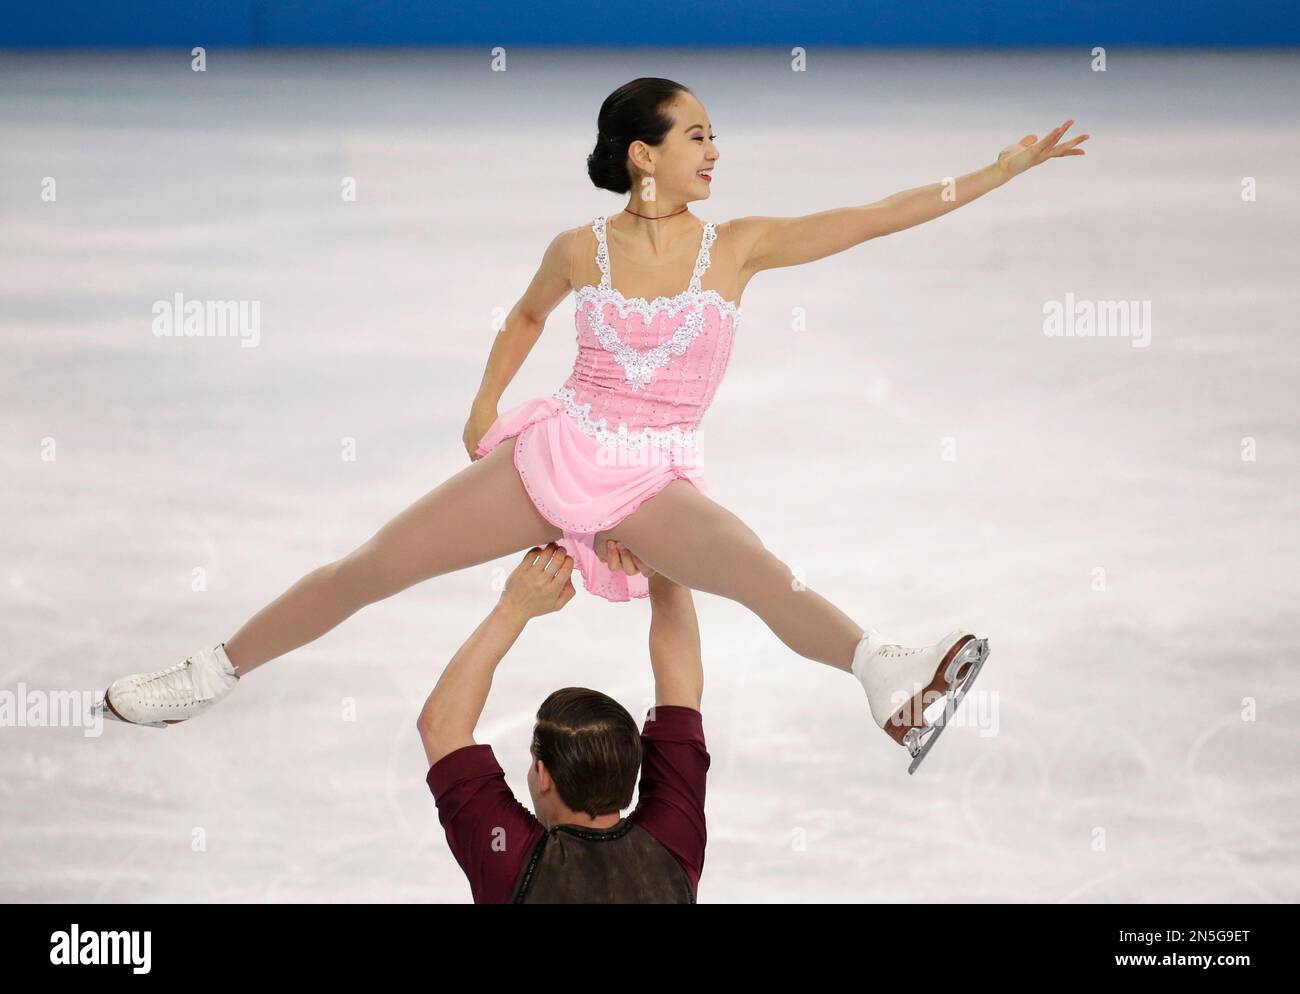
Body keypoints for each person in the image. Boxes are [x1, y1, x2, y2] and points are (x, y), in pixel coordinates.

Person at [99, 76, 1081, 770]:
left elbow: (875, 215)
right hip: (557, 450)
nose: (715, 149)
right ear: (642, 153)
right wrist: (486, 403)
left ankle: (883, 672)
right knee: (372, 565)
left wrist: (996, 171)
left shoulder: (739, 247)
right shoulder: (580, 248)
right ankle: (212, 670)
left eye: (713, 134)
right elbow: (528, 315)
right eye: (697, 133)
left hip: (651, 476)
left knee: (764, 577)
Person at [419, 542, 708, 903]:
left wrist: (514, 608)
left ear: (543, 774)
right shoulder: (671, 844)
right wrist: (660, 565)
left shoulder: (514, 862)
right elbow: (681, 686)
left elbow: (441, 725)